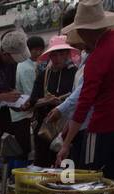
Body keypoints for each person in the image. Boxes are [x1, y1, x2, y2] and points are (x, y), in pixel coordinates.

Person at [56, 0, 114, 194]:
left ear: (85, 31)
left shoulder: (98, 56)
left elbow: (84, 103)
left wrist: (66, 143)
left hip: (103, 126)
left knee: (92, 176)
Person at [30, 34, 78, 167]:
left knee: (65, 166)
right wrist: (47, 101)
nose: (57, 58)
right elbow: (33, 101)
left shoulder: (75, 73)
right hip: (44, 129)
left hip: (66, 128)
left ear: (68, 54)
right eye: (53, 55)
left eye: (61, 54)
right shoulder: (44, 74)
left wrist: (62, 105)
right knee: (42, 166)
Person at [0, 31, 29, 167]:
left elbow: (9, 87)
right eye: (14, 58)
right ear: (5, 54)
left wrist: (17, 99)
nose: (16, 62)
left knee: (20, 141)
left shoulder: (11, 62)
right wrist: (1, 97)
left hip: (3, 113)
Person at [8, 36, 46, 163]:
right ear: (28, 50)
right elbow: (31, 97)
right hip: (23, 115)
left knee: (21, 150)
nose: (39, 53)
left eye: (41, 49)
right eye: (35, 50)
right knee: (24, 150)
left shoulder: (30, 64)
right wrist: (49, 100)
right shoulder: (26, 68)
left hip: (22, 113)